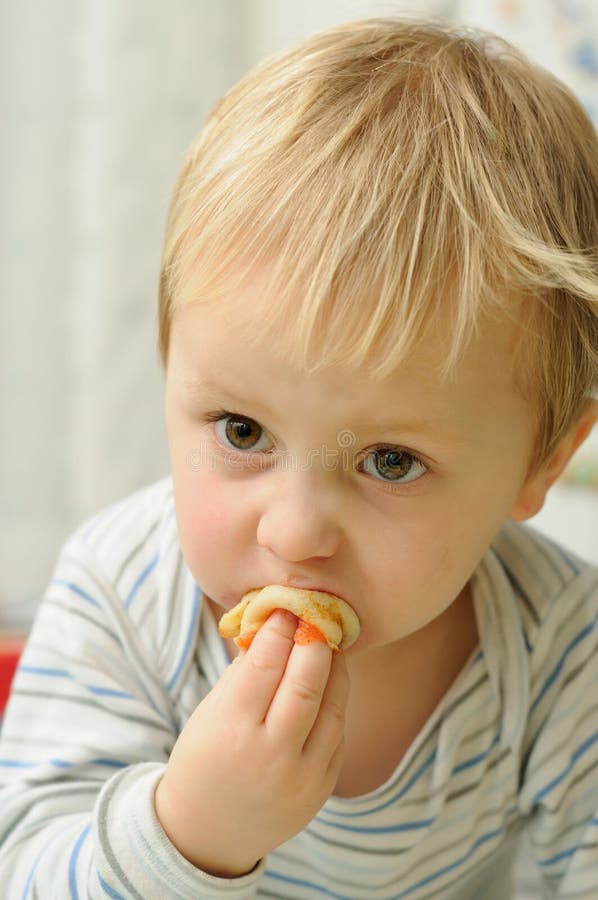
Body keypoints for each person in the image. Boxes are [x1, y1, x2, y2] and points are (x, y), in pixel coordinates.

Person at [1, 16, 597, 899]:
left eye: (391, 461)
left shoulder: (560, 654)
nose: (296, 533)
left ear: (541, 464)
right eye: (242, 432)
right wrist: (191, 832)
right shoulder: (124, 594)